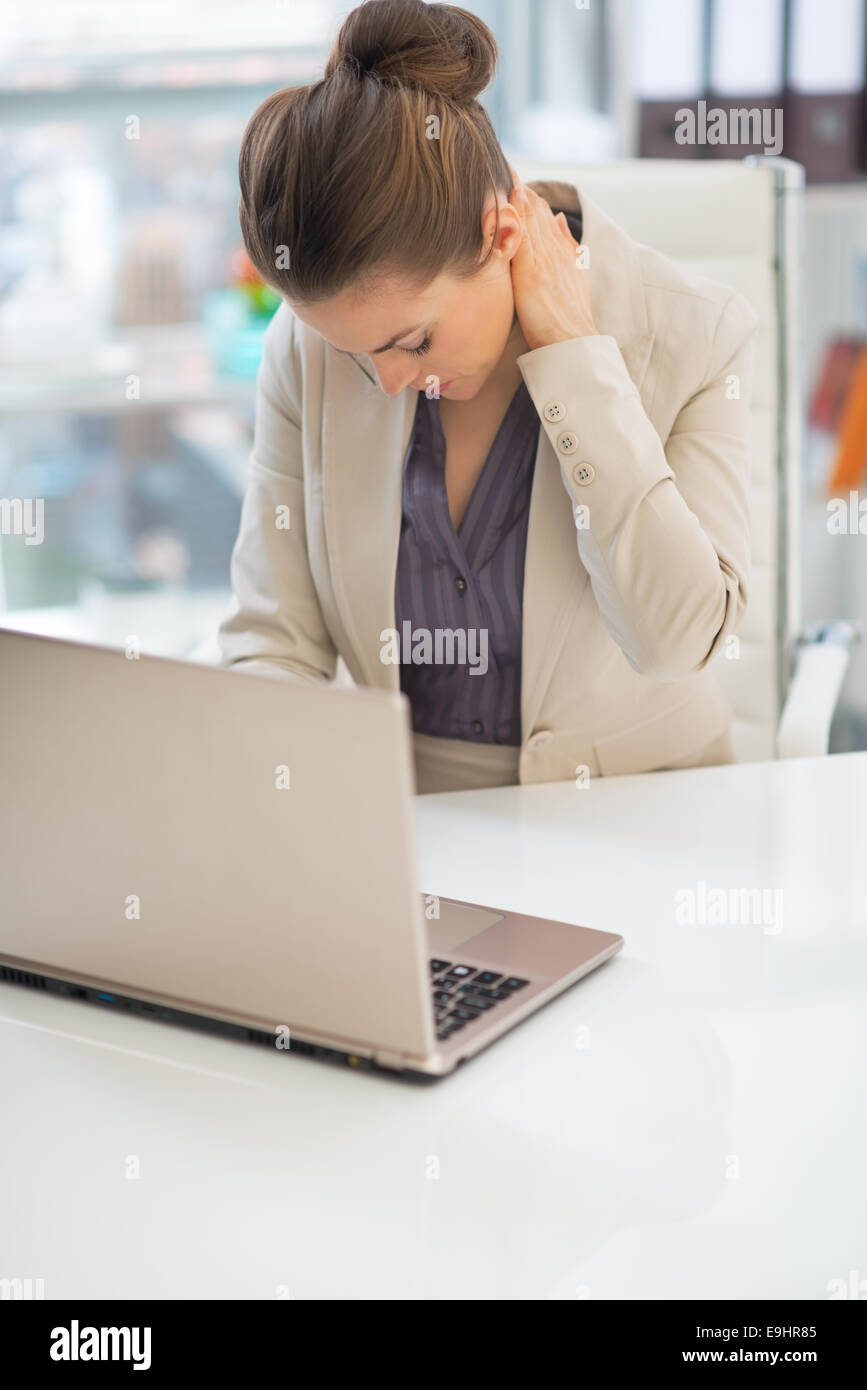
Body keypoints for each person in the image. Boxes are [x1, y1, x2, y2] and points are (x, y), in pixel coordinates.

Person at [218, 0, 759, 794]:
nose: (386, 380)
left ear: (501, 235)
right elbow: (276, 645)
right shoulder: (307, 352)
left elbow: (673, 642)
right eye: (353, 352)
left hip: (645, 811)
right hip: (410, 820)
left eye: (411, 342)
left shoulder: (695, 331)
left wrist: (577, 360)